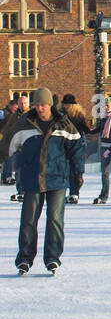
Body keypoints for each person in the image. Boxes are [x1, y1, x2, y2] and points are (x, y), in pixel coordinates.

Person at [10, 86, 84, 275]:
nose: (39, 108)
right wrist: (17, 165)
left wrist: (78, 173)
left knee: (55, 220)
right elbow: (10, 145)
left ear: (49, 105)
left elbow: (76, 149)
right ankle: (25, 258)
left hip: (57, 179)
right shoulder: (25, 123)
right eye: (36, 104)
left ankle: (52, 258)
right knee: (28, 221)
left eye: (42, 104)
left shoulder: (63, 124)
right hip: (31, 179)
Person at [92, 98, 111, 205]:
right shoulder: (104, 117)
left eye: (108, 105)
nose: (105, 107)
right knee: (104, 173)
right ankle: (103, 196)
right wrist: (88, 131)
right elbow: (99, 129)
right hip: (104, 146)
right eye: (104, 106)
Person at [60, 96, 90, 204]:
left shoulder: (78, 116)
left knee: (76, 170)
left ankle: (74, 192)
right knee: (65, 169)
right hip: (64, 144)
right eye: (64, 104)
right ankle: (68, 192)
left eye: (68, 104)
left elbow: (85, 129)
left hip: (77, 144)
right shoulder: (60, 116)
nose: (66, 106)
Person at [0, 94, 30, 200]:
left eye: (25, 103)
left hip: (30, 147)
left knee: (30, 170)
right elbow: (6, 129)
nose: (22, 105)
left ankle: (29, 191)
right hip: (18, 147)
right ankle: (21, 191)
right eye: (21, 103)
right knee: (19, 170)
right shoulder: (14, 116)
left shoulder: (32, 115)